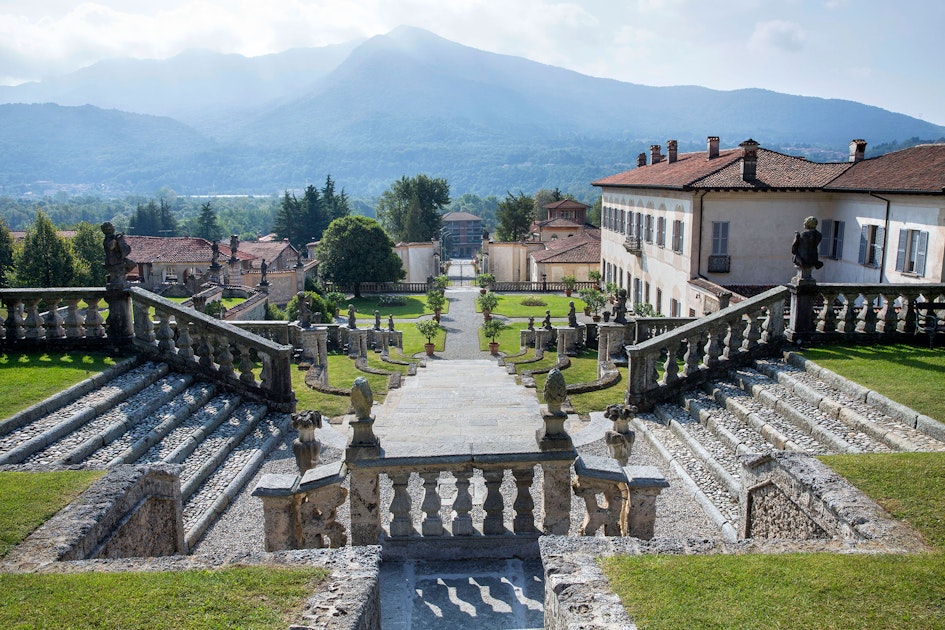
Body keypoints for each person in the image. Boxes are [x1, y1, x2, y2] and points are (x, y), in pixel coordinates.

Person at [792, 216, 824, 280]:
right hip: (814, 258)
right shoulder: (819, 235)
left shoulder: (804, 234)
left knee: (794, 257)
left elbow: (794, 250)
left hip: (804, 259)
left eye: (805, 222)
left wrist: (796, 237)